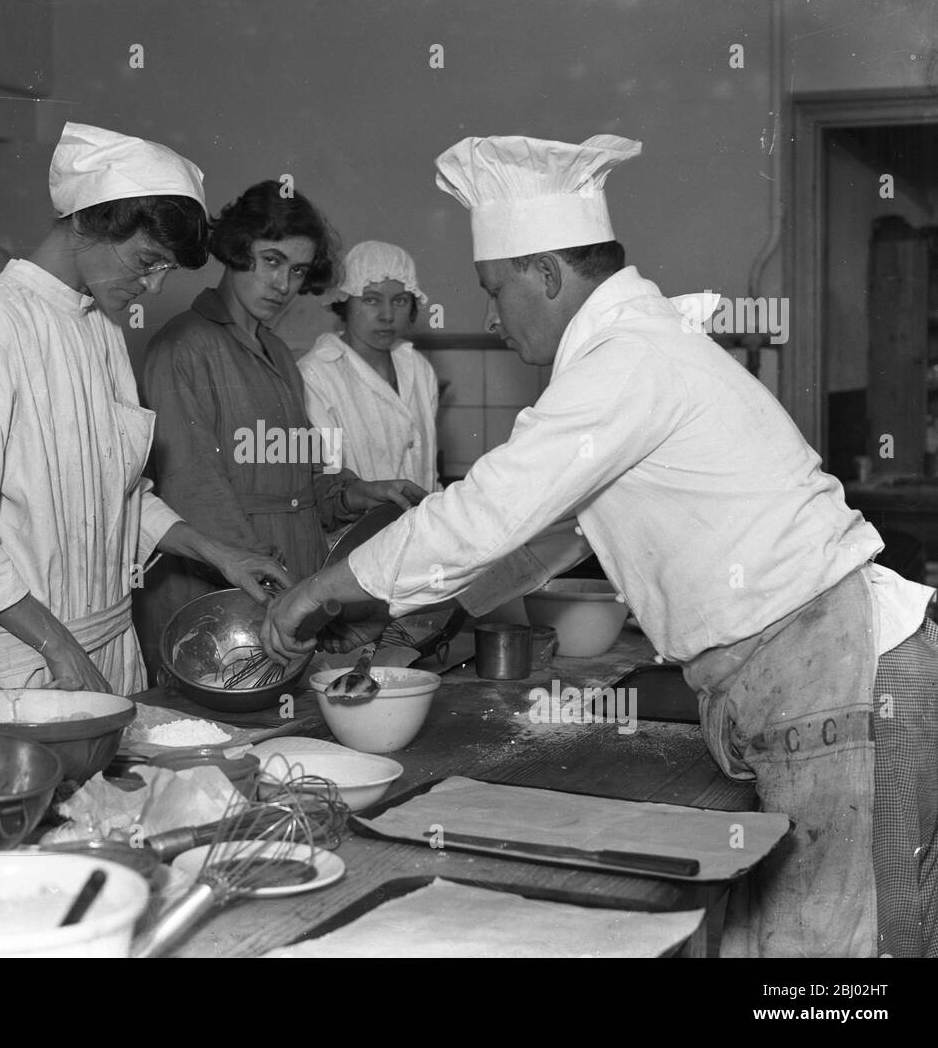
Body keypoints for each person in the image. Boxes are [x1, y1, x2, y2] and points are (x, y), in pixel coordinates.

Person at [261, 133, 938, 958]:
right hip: (809, 673)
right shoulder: (631, 353)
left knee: (820, 969)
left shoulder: (629, 360)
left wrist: (321, 588)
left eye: (494, 289)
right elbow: (551, 530)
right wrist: (430, 608)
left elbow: (492, 507)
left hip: (832, 678)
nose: (489, 316)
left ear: (546, 275)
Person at [0, 124, 288, 699]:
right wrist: (59, 648)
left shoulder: (102, 332)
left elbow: (117, 495)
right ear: (91, 221)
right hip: (16, 661)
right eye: (147, 260)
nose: (154, 288)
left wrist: (219, 553)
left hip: (104, 640)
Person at [136, 182, 426, 683]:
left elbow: (301, 475)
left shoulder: (276, 356)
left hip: (283, 593)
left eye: (297, 270)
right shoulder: (185, 347)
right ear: (234, 250)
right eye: (270, 261)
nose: (283, 284)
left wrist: (358, 493)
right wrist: (281, 589)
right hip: (220, 600)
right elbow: (193, 489)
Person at [299, 240, 441, 493]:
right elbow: (323, 484)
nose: (387, 315)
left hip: (421, 525)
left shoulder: (418, 368)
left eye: (399, 301)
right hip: (359, 530)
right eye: (371, 300)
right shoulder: (315, 375)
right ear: (344, 303)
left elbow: (428, 470)